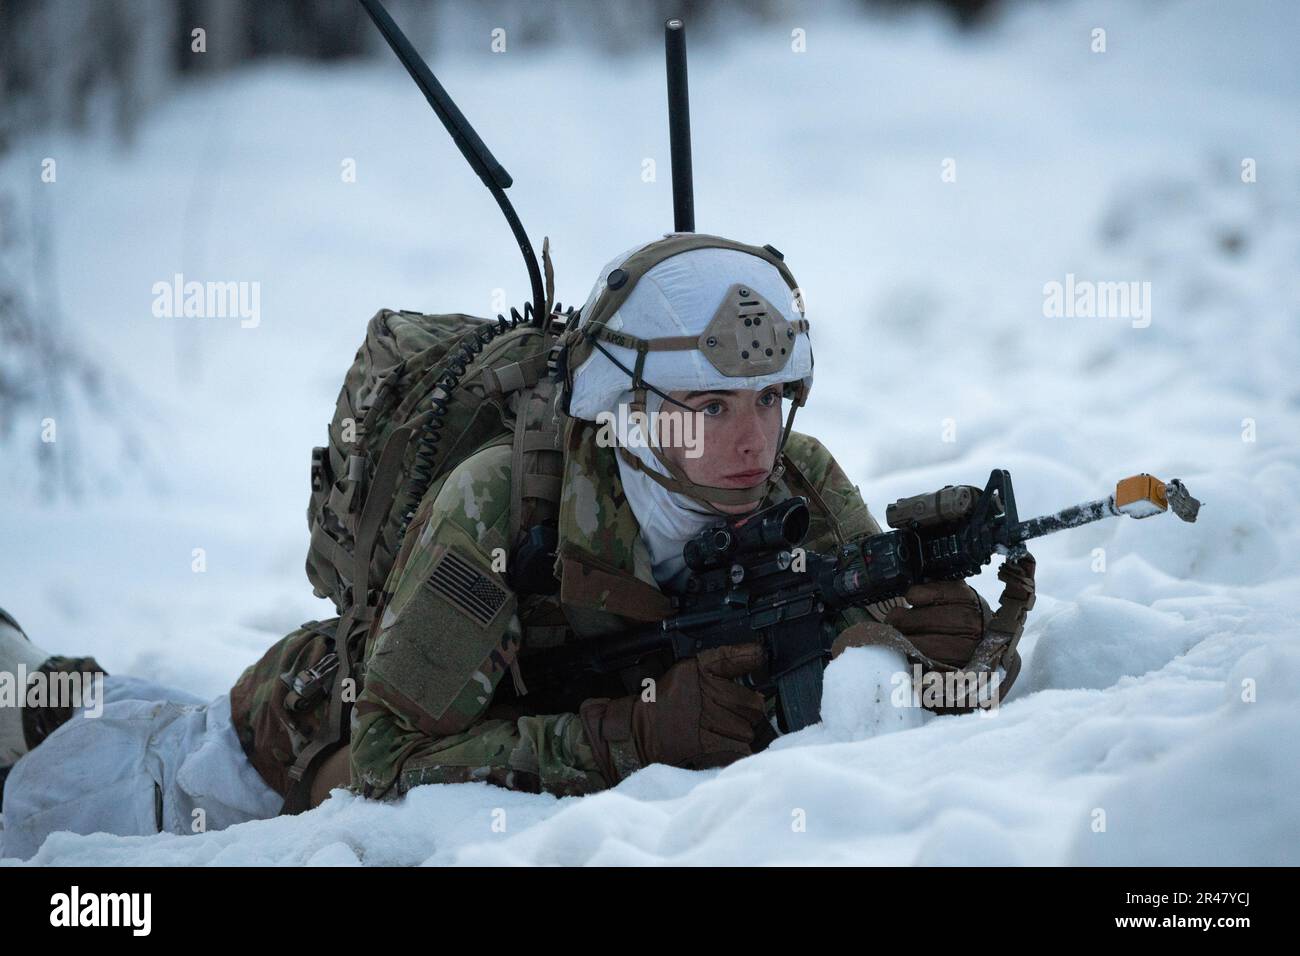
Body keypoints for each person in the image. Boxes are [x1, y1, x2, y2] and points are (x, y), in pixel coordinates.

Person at [0, 234, 1034, 858]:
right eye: (710, 404)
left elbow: (874, 664)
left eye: (770, 396)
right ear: (624, 408)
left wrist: (939, 652)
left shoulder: (797, 477)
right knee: (76, 757)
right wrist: (629, 737)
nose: (752, 436)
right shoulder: (499, 504)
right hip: (294, 743)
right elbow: (390, 763)